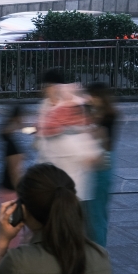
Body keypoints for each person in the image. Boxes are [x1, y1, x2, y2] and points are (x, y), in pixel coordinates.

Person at [34, 68, 101, 211]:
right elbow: (40, 138)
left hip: (73, 177)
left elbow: (87, 135)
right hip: (51, 175)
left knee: (70, 219)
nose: (46, 90)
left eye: (49, 86)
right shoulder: (45, 106)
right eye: (45, 87)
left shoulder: (73, 106)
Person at [86, 82, 117, 246]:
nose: (89, 98)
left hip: (101, 166)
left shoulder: (108, 117)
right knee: (92, 213)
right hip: (97, 165)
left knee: (96, 214)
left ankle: (99, 251)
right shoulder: (98, 114)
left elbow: (103, 143)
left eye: (92, 95)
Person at [0, 105, 25, 193]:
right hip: (11, 190)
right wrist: (19, 191)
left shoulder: (9, 139)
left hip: (6, 187)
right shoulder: (12, 143)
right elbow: (14, 172)